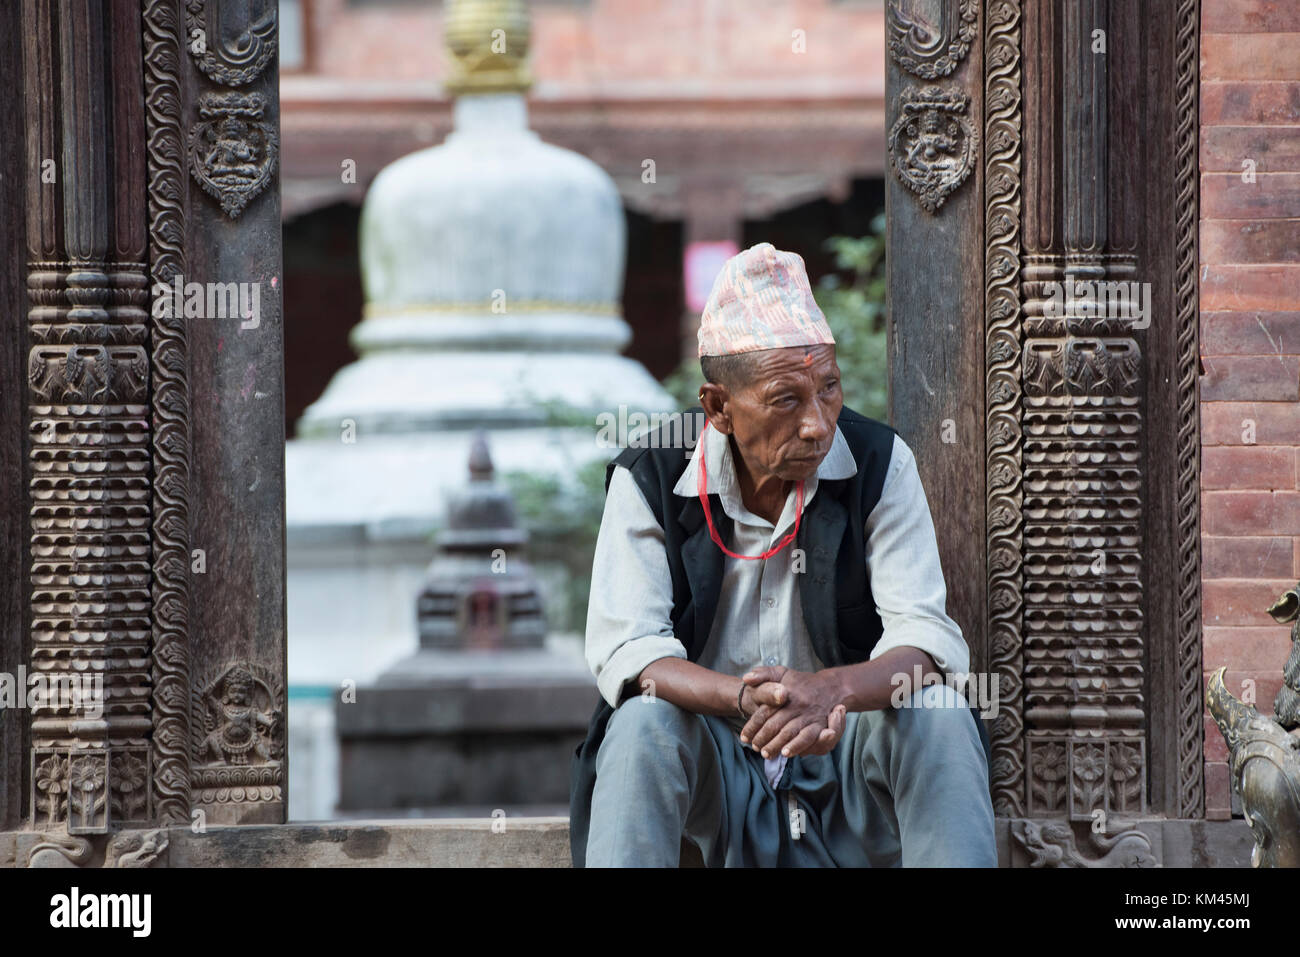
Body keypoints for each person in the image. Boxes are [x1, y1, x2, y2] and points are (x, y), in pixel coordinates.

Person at [569, 242, 995, 867]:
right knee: (640, 723)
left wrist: (831, 690)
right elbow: (632, 653)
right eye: (786, 400)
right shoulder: (651, 476)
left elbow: (924, 636)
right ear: (717, 408)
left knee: (936, 708)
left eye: (829, 389)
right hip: (715, 767)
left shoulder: (878, 463)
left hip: (844, 754)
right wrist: (744, 700)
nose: (818, 424)